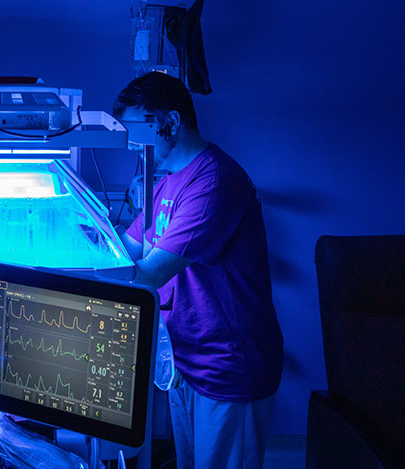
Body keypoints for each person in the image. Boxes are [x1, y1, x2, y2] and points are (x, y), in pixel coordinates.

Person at [113, 72, 284, 469]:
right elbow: (127, 249)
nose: (132, 141)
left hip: (227, 366)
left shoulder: (214, 181)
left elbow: (148, 274)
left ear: (170, 123)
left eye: (138, 128)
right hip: (187, 360)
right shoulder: (168, 183)